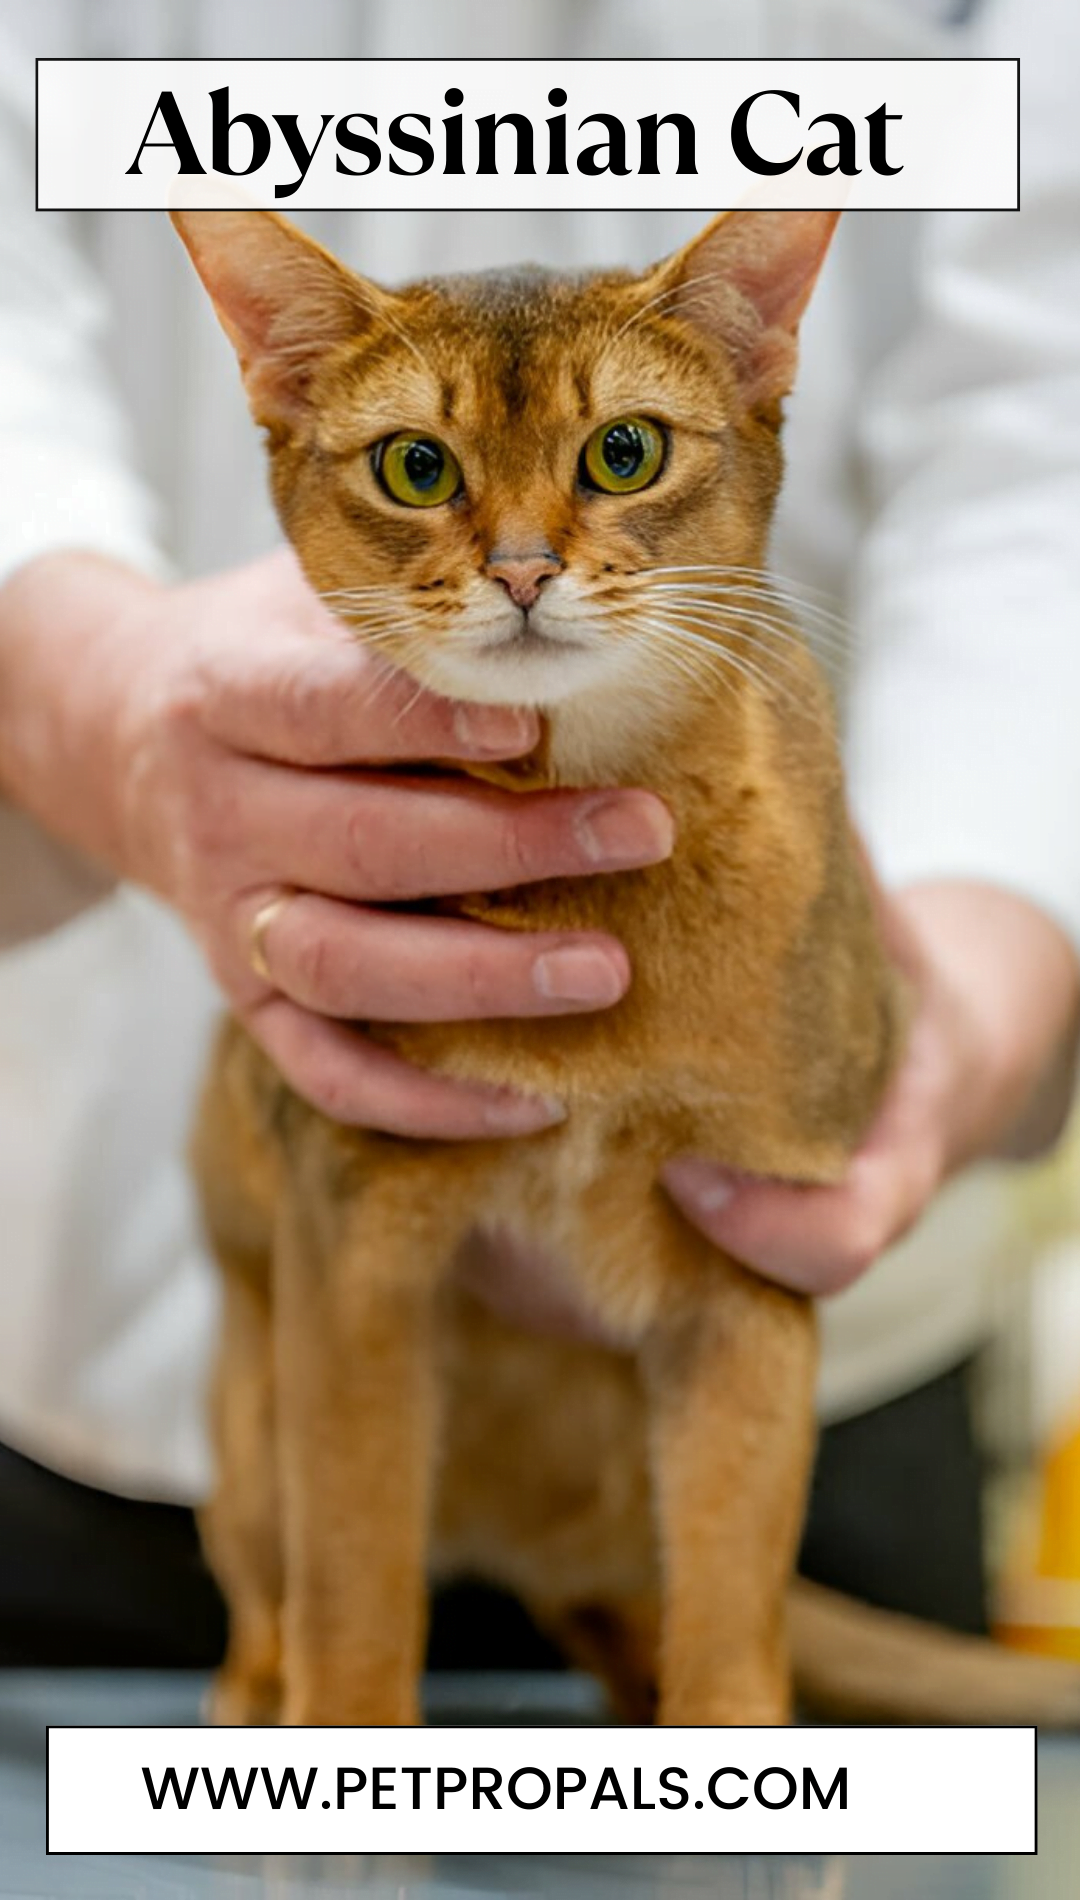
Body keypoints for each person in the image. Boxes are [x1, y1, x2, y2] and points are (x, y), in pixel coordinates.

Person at [0, 0, 1078, 1667]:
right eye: (423, 471)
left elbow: (1044, 433)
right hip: (137, 1387)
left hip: (817, 1361)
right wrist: (91, 702)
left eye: (619, 458)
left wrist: (971, 980)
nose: (523, 561)